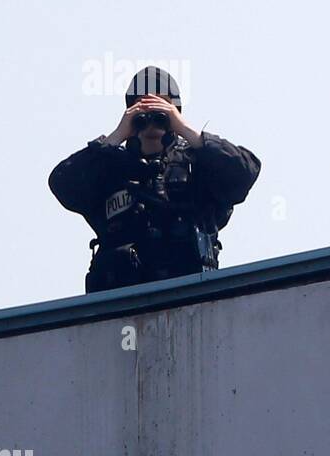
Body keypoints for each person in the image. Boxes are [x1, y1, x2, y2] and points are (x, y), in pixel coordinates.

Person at [49, 66, 261, 293]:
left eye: (160, 117)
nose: (151, 125)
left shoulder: (199, 165)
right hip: (120, 309)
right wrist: (114, 138)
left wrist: (188, 131)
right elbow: (63, 184)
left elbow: (244, 173)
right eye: (142, 117)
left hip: (193, 303)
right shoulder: (107, 171)